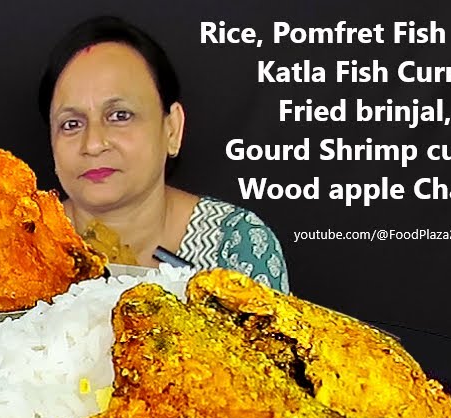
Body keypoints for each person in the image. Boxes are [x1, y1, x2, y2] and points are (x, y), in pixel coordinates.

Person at [39, 16, 289, 291]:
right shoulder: (24, 247)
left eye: (120, 116)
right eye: (71, 124)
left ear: (172, 129)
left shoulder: (236, 246)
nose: (94, 144)